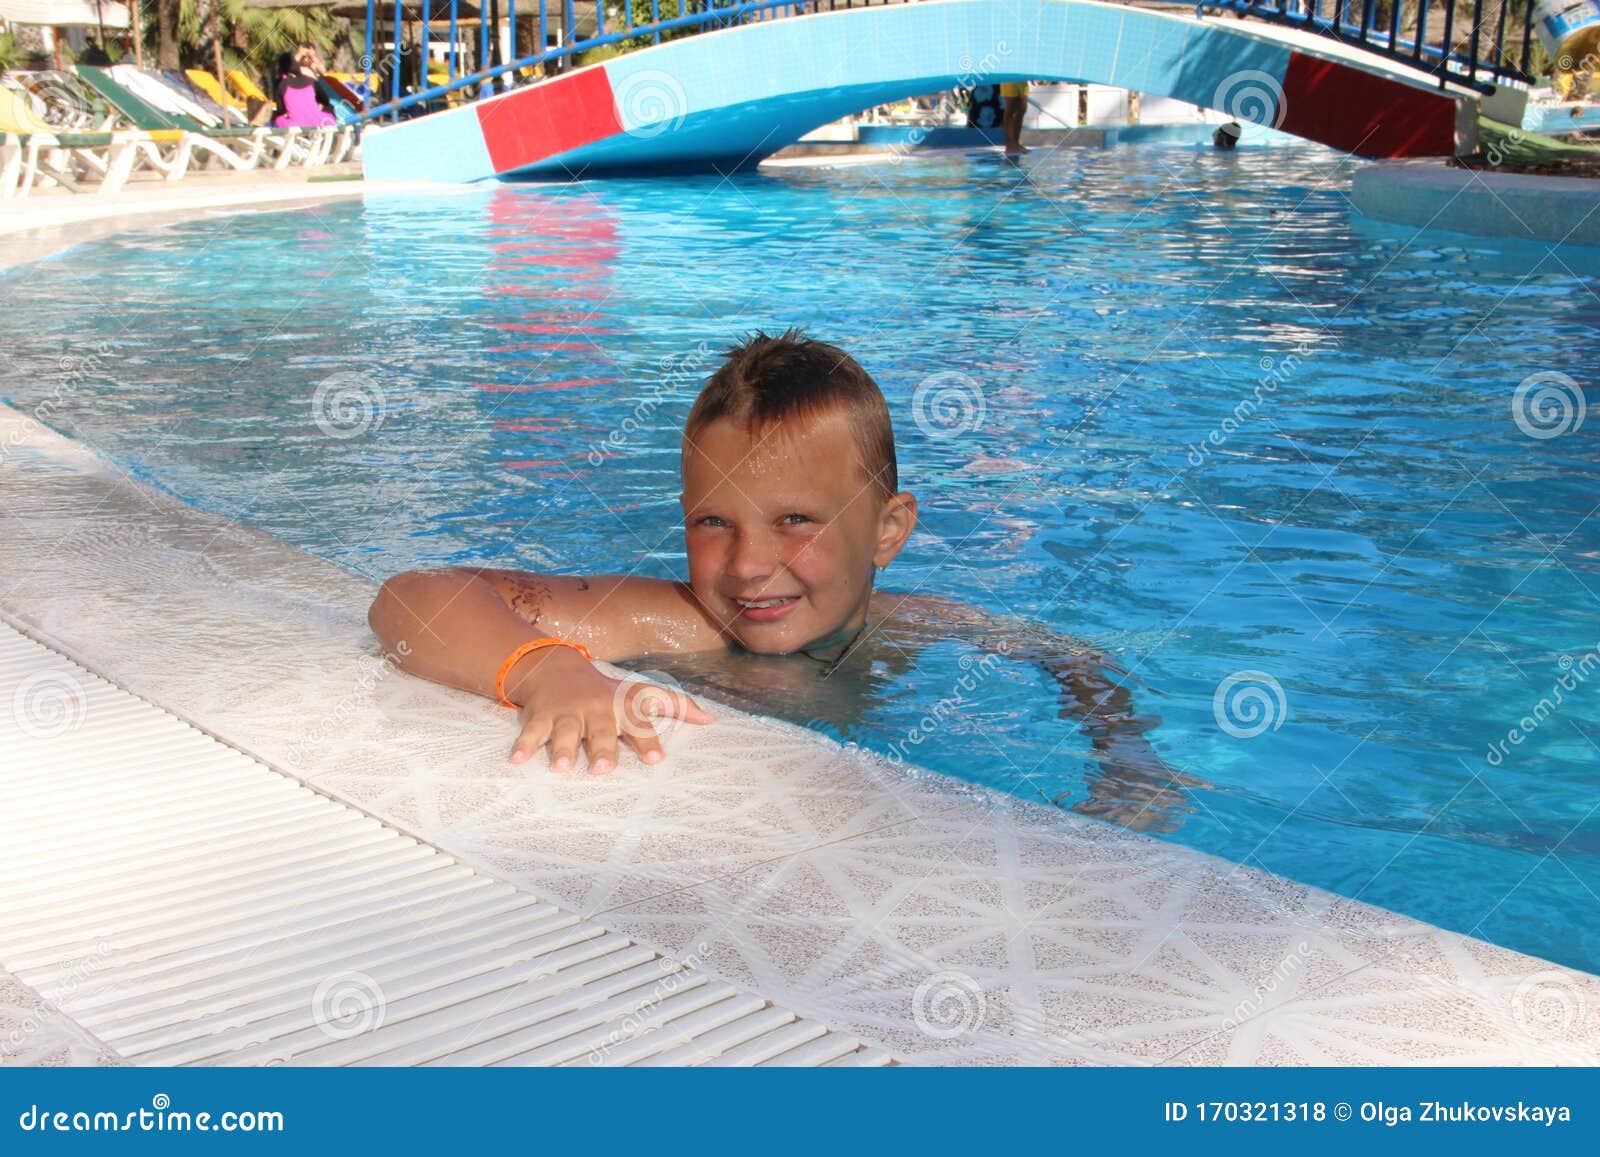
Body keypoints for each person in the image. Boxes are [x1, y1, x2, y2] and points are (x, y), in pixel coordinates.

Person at [369, 332, 1193, 828]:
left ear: (889, 531)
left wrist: (1128, 758)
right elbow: (410, 596)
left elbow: (1067, 654)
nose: (748, 564)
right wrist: (549, 667)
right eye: (712, 523)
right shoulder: (674, 622)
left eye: (796, 521)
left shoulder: (912, 622)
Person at [273, 49, 334, 128]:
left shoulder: (282, 85)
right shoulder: (311, 81)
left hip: (296, 125)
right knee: (329, 108)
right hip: (318, 122)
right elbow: (325, 100)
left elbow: (281, 110)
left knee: (278, 119)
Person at [1000, 80, 1029, 155]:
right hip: (1009, 75)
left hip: (1022, 76)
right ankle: (1010, 144)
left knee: (1022, 108)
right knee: (1011, 106)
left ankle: (1015, 143)